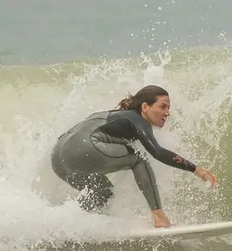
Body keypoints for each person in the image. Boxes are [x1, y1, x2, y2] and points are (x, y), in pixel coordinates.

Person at [50, 85, 218, 228]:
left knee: (102, 193)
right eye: (163, 106)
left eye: (168, 108)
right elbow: (157, 152)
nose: (167, 113)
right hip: (86, 148)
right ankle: (159, 216)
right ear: (145, 107)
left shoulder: (117, 117)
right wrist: (195, 169)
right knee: (138, 159)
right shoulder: (136, 119)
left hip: (58, 158)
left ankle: (66, 223)